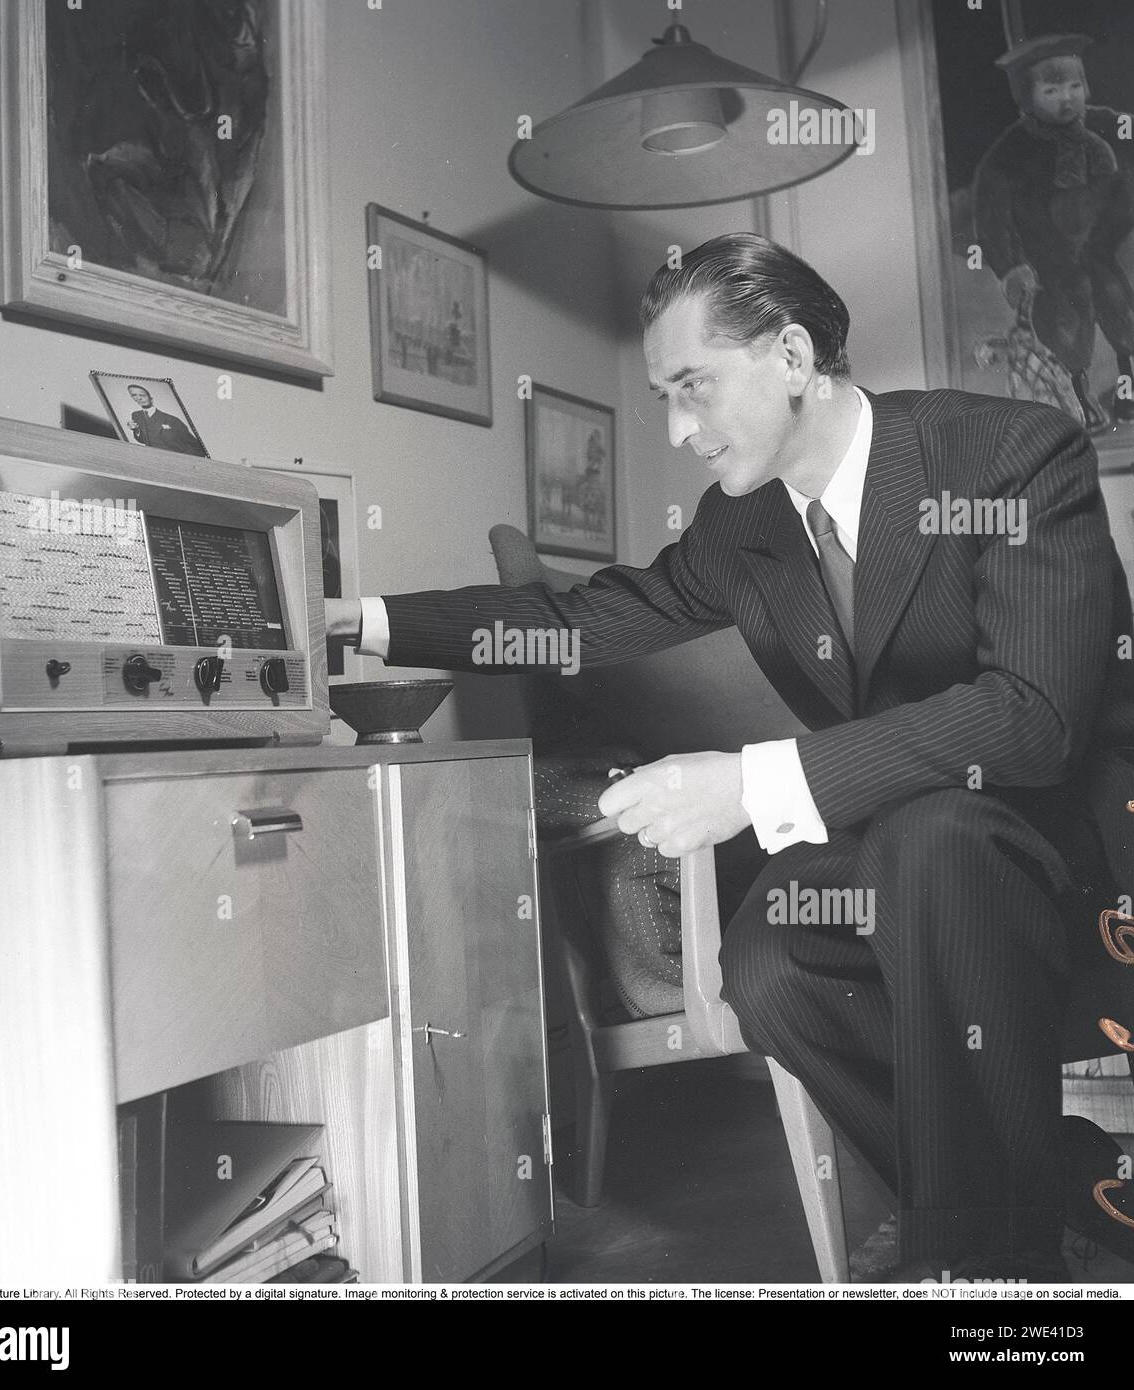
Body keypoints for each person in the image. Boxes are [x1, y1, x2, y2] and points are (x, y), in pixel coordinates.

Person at [328, 232, 1134, 1281]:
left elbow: (1030, 719)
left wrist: (749, 784)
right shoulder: (741, 524)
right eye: (666, 395)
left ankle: (977, 1266)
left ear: (793, 357)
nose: (679, 428)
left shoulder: (1010, 454)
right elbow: (581, 620)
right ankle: (1039, 1198)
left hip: (1069, 862)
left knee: (935, 839)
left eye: (693, 387)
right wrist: (366, 619)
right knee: (768, 964)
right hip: (901, 854)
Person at [974, 33, 1134, 432]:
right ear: (1027, 98)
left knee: (1119, 303)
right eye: (1052, 89)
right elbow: (991, 213)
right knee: (1067, 319)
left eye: (1075, 86)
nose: (1067, 98)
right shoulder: (1009, 153)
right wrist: (1011, 265)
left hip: (1100, 246)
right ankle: (1076, 397)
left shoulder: (1102, 127)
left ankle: (1128, 383)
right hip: (1047, 259)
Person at [124, 384, 208, 456]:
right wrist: (135, 430)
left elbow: (196, 447)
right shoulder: (136, 415)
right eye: (134, 395)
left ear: (151, 398)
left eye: (142, 395)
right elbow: (143, 440)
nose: (138, 398)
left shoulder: (172, 420)